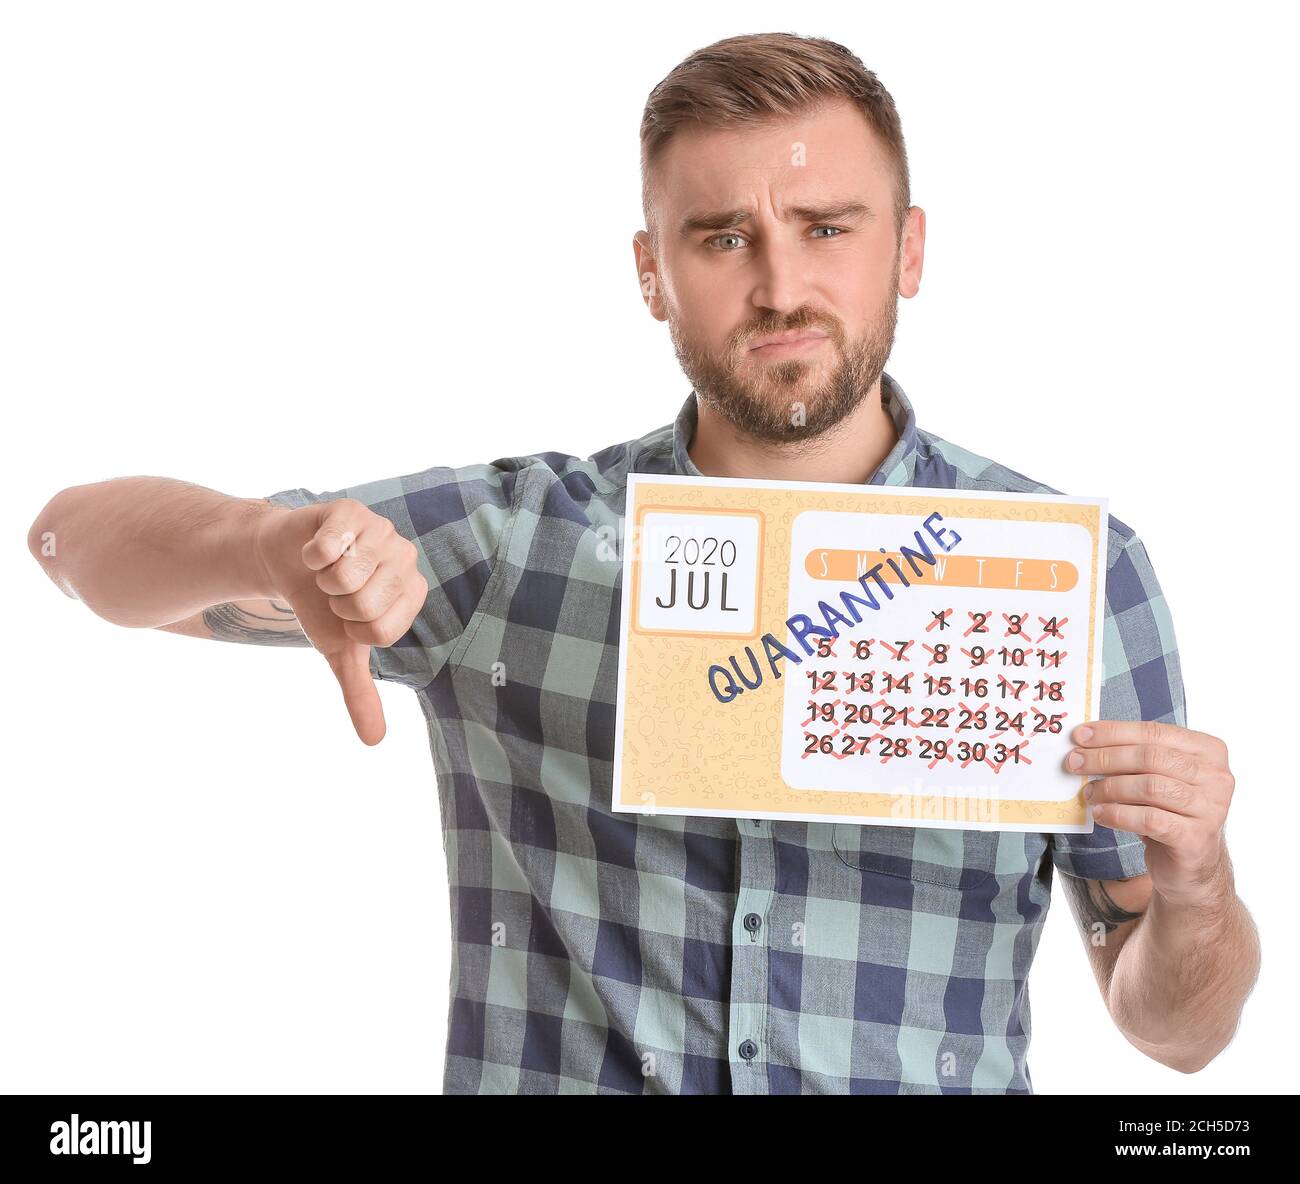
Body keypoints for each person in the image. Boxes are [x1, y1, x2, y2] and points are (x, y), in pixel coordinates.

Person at [27, 31, 1258, 1094]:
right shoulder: (514, 545)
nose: (783, 285)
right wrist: (264, 541)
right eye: (723, 238)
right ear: (651, 273)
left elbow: (1179, 1031)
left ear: (909, 249)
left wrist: (1196, 886)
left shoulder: (1072, 578)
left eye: (827, 227)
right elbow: (66, 543)